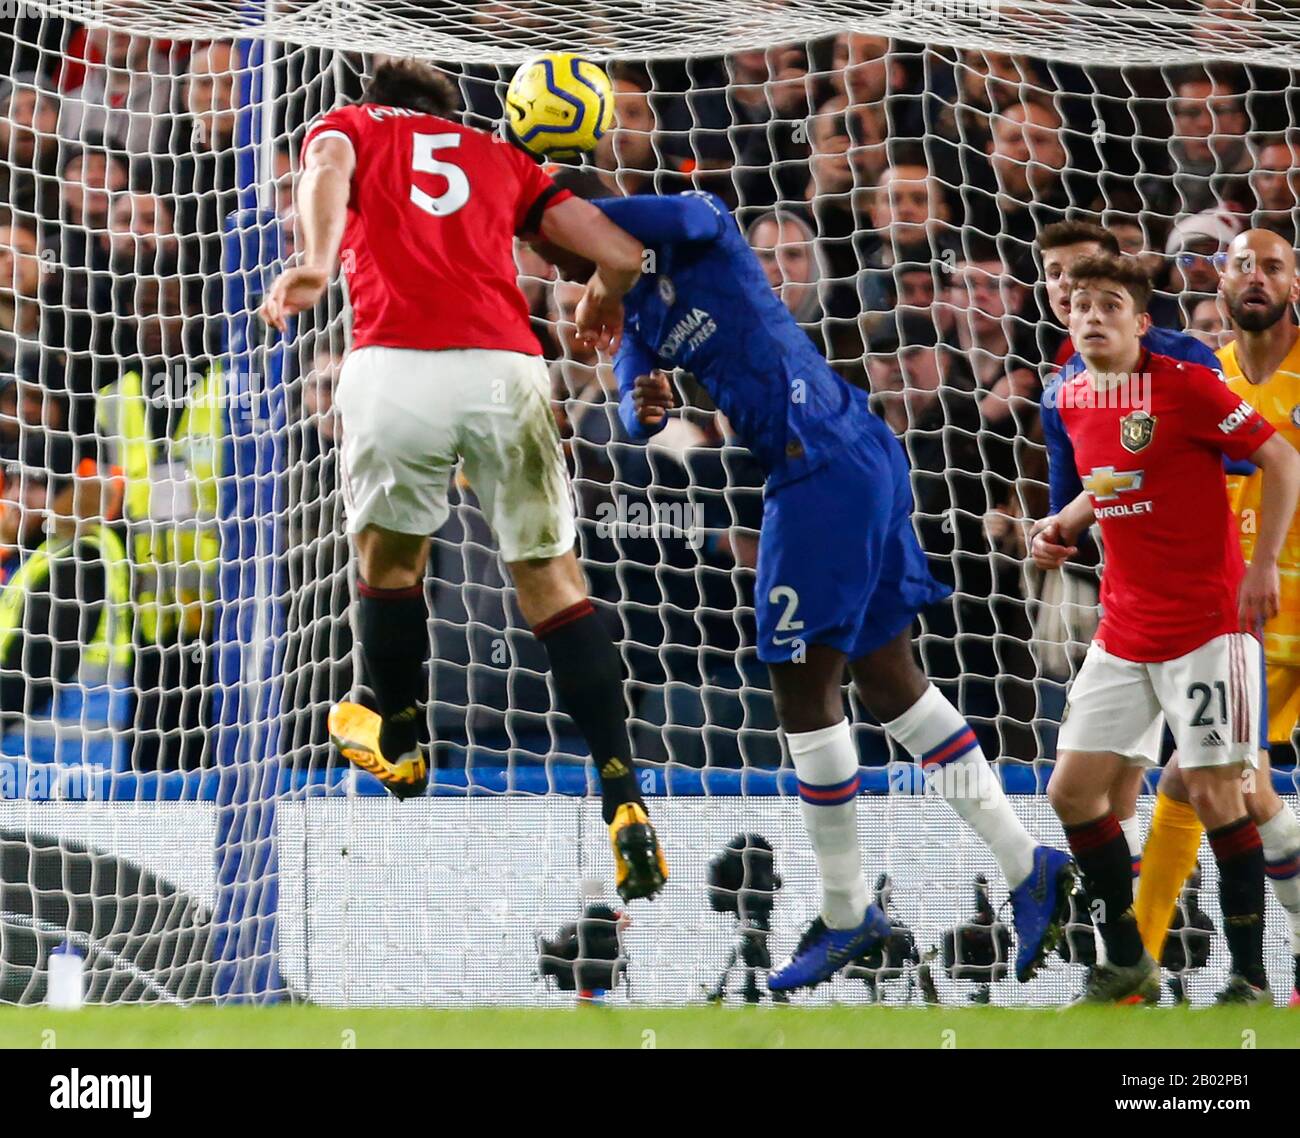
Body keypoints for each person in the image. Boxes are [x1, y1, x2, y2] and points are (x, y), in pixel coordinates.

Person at [533, 172, 1075, 992]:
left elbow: (672, 218)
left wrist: (602, 272)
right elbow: (636, 398)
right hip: (849, 455)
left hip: (819, 464)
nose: (551, 264)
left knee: (800, 691)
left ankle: (849, 912)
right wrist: (645, 396)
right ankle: (1026, 863)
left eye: (548, 241)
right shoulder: (638, 312)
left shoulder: (696, 228)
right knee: (890, 680)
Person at [259, 58, 666, 902]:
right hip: (503, 371)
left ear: (379, 105)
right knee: (552, 582)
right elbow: (623, 253)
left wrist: (317, 259)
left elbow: (326, 171)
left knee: (390, 567)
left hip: (394, 367)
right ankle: (623, 794)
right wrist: (597, 300)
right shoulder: (501, 157)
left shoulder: (354, 126)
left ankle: (402, 741)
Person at [1030, 252, 1300, 1004]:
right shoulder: (1073, 396)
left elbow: (1282, 462)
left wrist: (1263, 565)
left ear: (1141, 322)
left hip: (1210, 624)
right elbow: (1110, 479)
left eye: (1109, 304)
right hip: (1125, 627)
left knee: (1220, 792)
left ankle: (1249, 976)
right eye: (1080, 304)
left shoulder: (1185, 386)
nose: (1091, 316)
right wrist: (1064, 522)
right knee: (1073, 794)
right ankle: (1126, 960)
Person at [1133, 229, 1300, 1006]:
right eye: (1243, 265)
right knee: (1208, 776)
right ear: (1219, 285)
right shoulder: (1207, 377)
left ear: (1294, 282)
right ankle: (1139, 957)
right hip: (1250, 621)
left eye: (1272, 265)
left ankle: (1136, 960)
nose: (1257, 277)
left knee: (1209, 777)